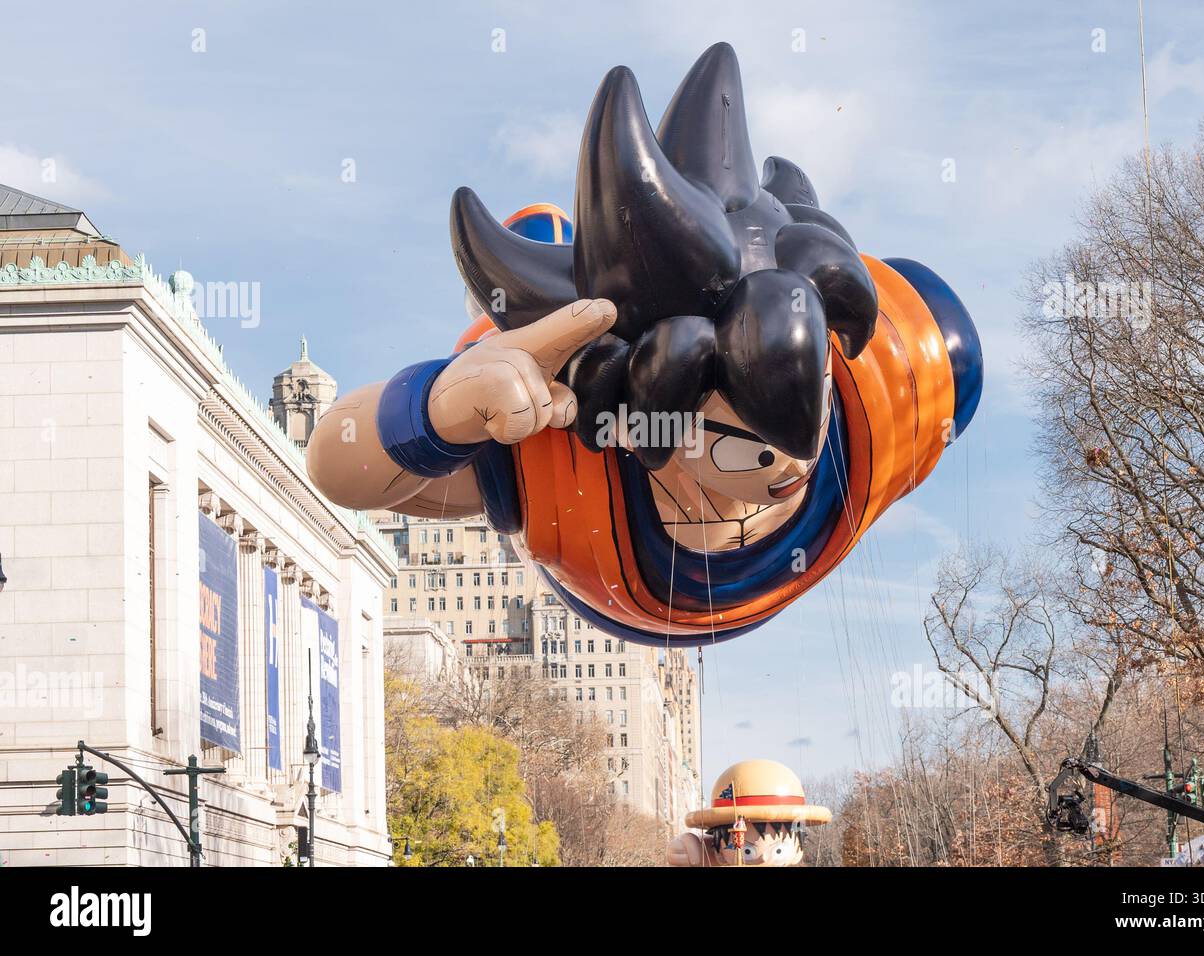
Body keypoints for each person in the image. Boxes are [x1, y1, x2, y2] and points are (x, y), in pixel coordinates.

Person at [306, 44, 981, 645]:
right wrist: (437, 409)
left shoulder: (903, 372)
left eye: (816, 396)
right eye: (742, 444)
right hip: (618, 583)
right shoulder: (557, 450)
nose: (791, 468)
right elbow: (336, 464)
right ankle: (533, 258)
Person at [667, 759, 830, 867]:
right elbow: (694, 854)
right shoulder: (716, 854)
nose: (764, 859)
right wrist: (695, 850)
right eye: (746, 850)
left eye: (778, 850)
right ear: (719, 851)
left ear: (798, 851)